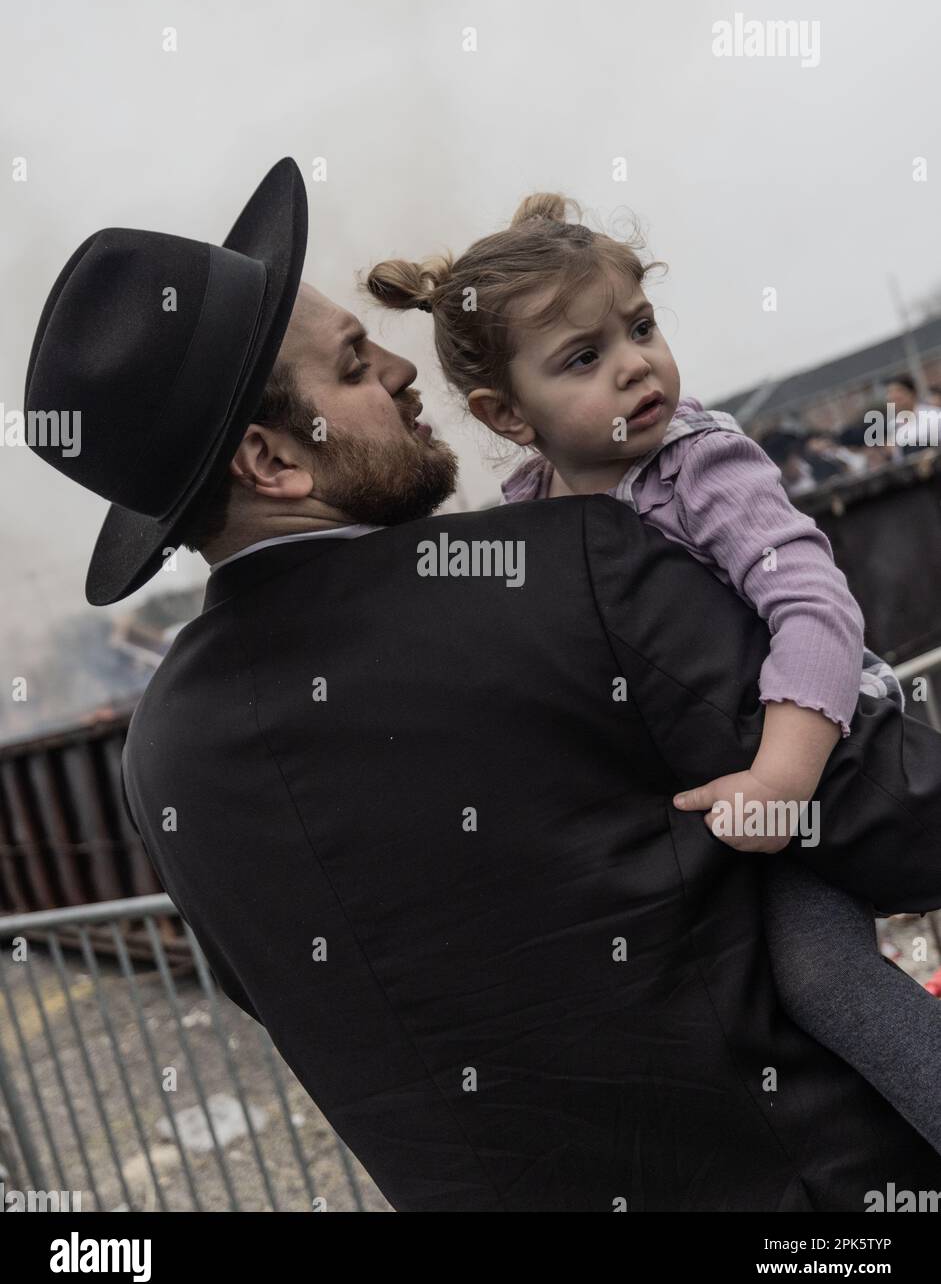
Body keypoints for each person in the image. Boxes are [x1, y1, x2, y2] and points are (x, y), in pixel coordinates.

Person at [23, 159, 941, 1211]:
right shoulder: (572, 569)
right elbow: (898, 811)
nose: (408, 377)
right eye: (357, 367)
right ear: (272, 462)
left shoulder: (161, 758)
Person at [366, 190, 941, 1156]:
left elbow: (814, 607)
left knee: (820, 977)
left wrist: (780, 781)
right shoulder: (532, 513)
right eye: (585, 358)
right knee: (767, 995)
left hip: (828, 757)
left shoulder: (699, 463)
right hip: (722, 816)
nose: (635, 363)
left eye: (639, 328)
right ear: (506, 415)